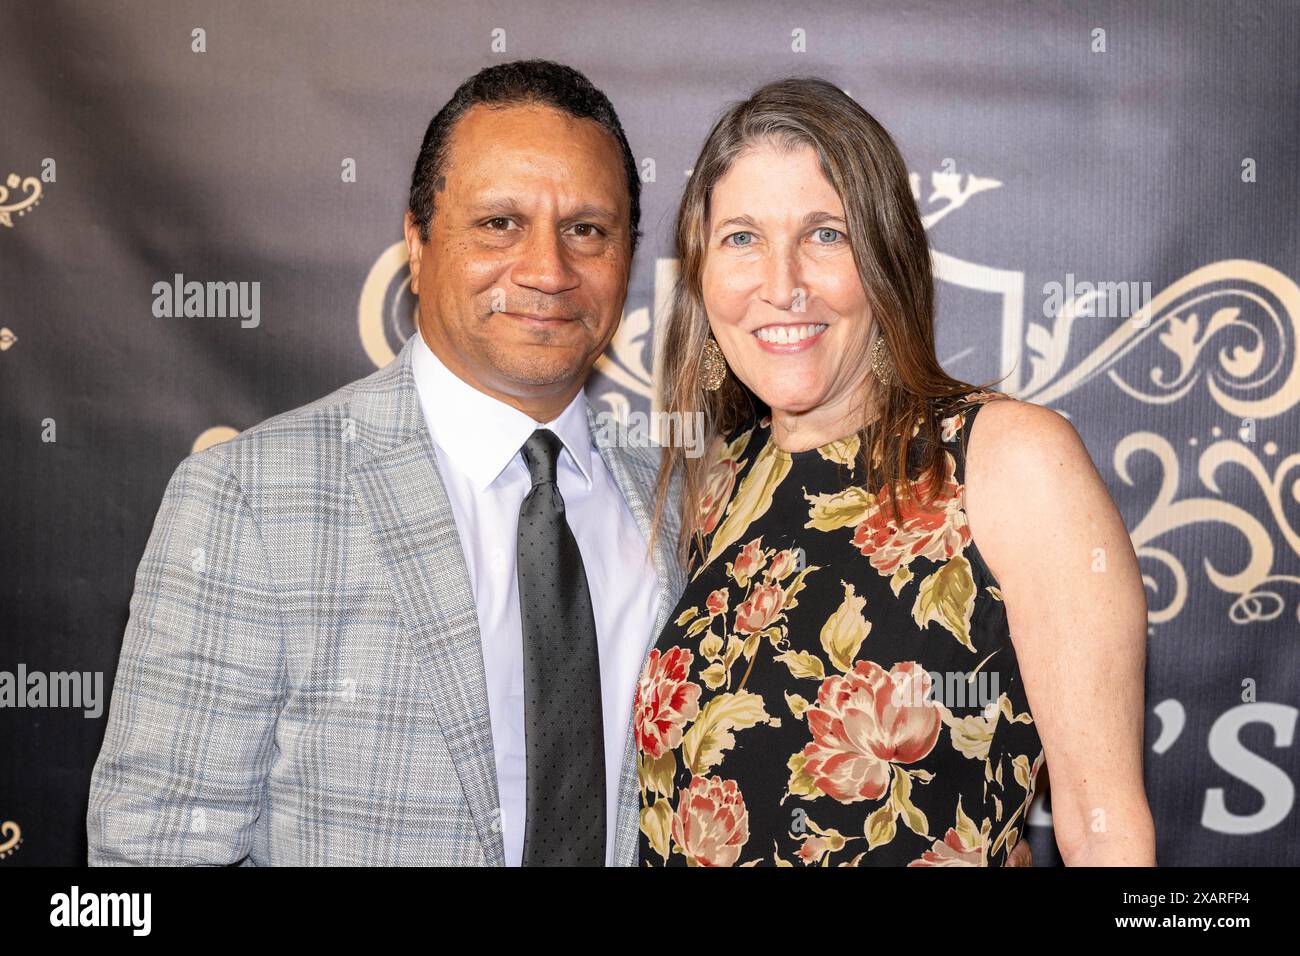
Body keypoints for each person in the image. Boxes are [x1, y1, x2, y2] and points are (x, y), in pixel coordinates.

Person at [87, 59, 686, 866]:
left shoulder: (684, 498)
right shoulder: (249, 500)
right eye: (499, 223)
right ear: (417, 240)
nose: (548, 270)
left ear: (627, 259)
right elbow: (150, 857)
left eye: (587, 229)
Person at [635, 77, 1155, 866]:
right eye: (741, 237)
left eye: (825, 234)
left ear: (887, 261)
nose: (781, 285)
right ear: (702, 279)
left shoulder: (1007, 461)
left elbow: (1103, 829)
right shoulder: (713, 488)